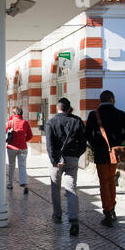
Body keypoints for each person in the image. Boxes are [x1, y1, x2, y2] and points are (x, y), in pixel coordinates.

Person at [86, 90, 125, 228]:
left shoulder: (94, 115)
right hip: (115, 152)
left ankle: (107, 211)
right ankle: (112, 208)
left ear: (101, 100)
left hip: (101, 152)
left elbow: (88, 134)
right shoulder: (120, 114)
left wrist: (95, 145)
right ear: (112, 99)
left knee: (103, 182)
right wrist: (118, 140)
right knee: (111, 180)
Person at [46, 98, 86, 236]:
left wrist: (54, 160)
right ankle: (74, 219)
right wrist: (76, 155)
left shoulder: (51, 122)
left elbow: (50, 145)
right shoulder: (77, 121)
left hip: (57, 161)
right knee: (71, 188)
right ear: (69, 108)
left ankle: (57, 215)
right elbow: (83, 143)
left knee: (55, 187)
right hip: (72, 159)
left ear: (57, 108)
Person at [6, 107, 33, 194]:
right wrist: (23, 140)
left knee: (11, 166)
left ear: (13, 114)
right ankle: (23, 183)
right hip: (23, 147)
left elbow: (4, 133)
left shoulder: (9, 123)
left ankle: (10, 184)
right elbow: (30, 135)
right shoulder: (25, 123)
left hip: (11, 147)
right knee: (22, 166)